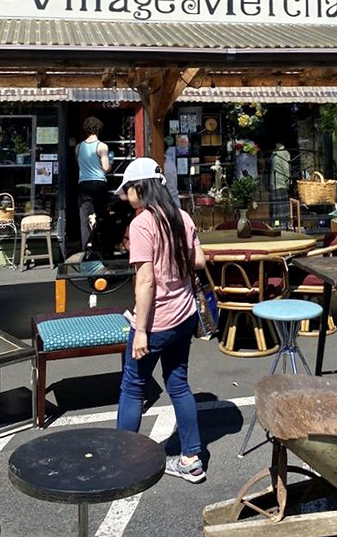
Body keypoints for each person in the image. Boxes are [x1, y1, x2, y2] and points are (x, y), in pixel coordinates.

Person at [115, 156, 206, 483]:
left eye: (128, 189)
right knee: (178, 384)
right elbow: (199, 261)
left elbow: (146, 282)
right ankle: (192, 458)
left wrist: (140, 331)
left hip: (156, 322)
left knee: (132, 386)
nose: (126, 196)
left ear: (141, 187)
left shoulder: (141, 224)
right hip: (184, 316)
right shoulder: (181, 216)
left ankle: (125, 462)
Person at [75, 116, 111, 251]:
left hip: (84, 183)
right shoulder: (102, 146)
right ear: (98, 129)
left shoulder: (78, 147)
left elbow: (79, 164)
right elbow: (106, 168)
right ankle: (102, 245)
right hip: (99, 183)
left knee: (85, 216)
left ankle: (87, 247)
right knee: (101, 214)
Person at [268, 142, 291, 227]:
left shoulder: (283, 153)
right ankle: (277, 225)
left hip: (280, 183)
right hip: (275, 183)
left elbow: (286, 169)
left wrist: (287, 182)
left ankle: (282, 225)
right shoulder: (275, 153)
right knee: (277, 207)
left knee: (280, 207)